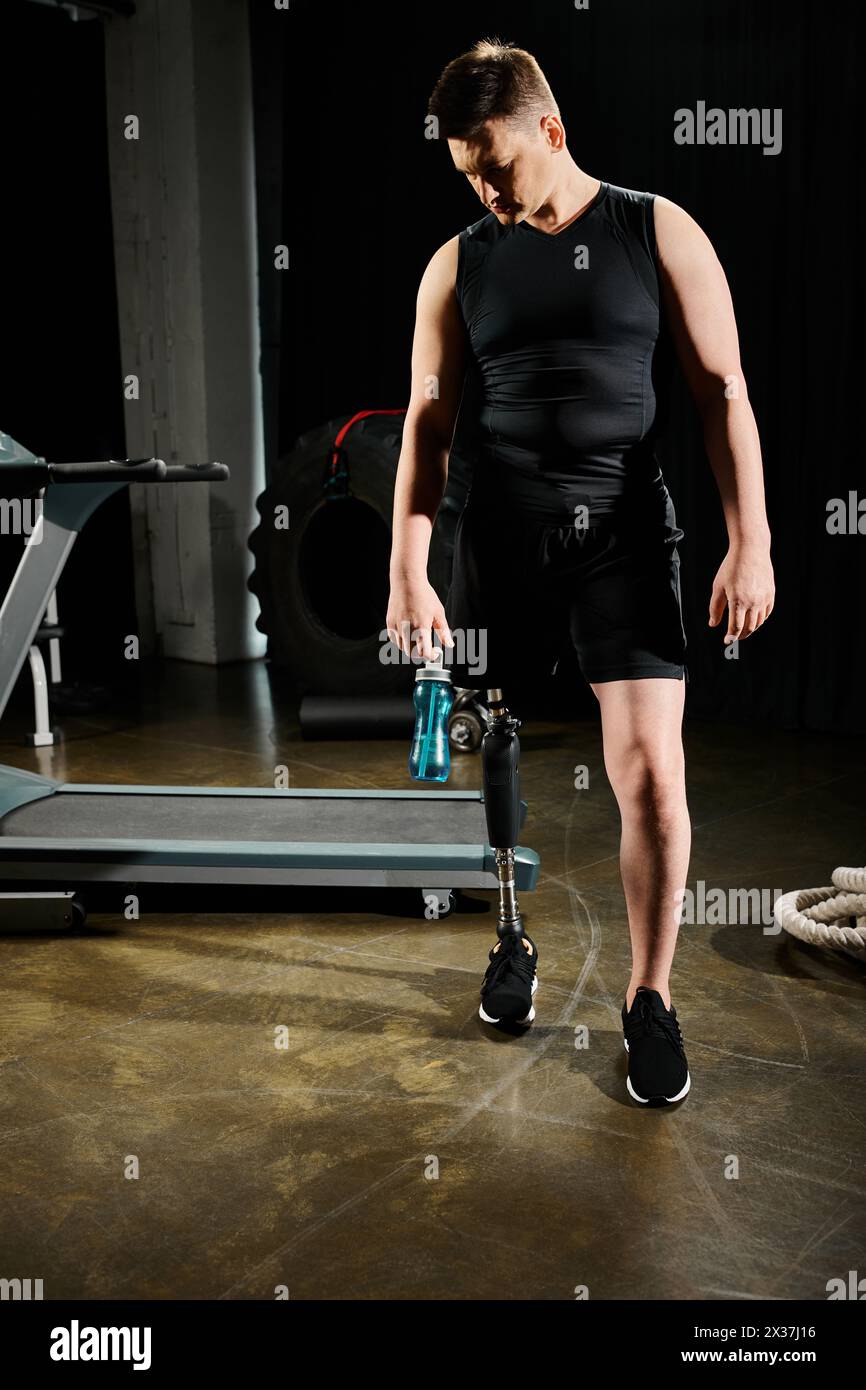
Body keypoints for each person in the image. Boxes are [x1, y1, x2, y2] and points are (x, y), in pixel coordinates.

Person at [386, 39, 774, 1106]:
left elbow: (721, 393)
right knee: (496, 740)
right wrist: (406, 572)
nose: (482, 190)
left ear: (547, 132)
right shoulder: (456, 262)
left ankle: (648, 997)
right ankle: (511, 938)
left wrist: (752, 540)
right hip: (498, 537)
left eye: (494, 167)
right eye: (465, 174)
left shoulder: (656, 230)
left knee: (649, 771)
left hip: (620, 535)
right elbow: (427, 423)